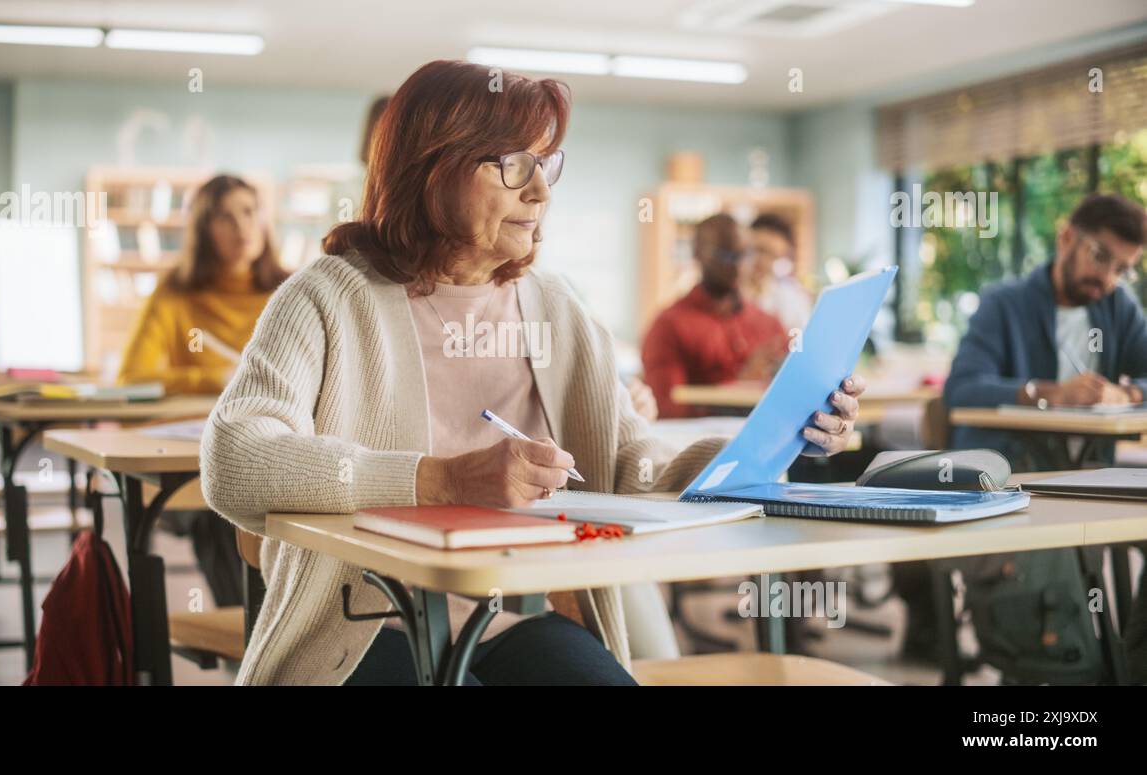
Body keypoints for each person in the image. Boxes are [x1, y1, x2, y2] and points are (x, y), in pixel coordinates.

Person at [200, 60, 865, 686]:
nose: (541, 189)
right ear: (434, 169)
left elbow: (633, 465)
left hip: (507, 614)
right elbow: (233, 462)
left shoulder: (556, 304)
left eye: (546, 163)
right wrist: (437, 479)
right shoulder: (327, 296)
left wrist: (771, 444)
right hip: (358, 624)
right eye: (514, 164)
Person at [118, 174, 288, 606]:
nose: (241, 228)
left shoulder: (289, 290)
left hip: (273, 453)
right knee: (222, 511)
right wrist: (210, 380)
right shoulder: (176, 294)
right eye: (224, 217)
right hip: (191, 464)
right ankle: (245, 637)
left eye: (249, 212)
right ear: (202, 230)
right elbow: (134, 379)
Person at [944, 192, 1147, 469]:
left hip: (1090, 479)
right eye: (1100, 256)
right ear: (1066, 238)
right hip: (1006, 476)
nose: (1108, 278)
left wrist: (1128, 394)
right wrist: (1051, 394)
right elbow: (962, 388)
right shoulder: (1003, 304)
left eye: (1122, 269)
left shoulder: (1118, 308)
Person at [641, 213, 790, 419]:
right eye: (727, 256)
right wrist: (738, 387)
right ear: (698, 253)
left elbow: (792, 395)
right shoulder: (668, 326)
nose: (738, 266)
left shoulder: (769, 324)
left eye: (744, 255)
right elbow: (666, 408)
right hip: (703, 447)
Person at [746, 213, 813, 335]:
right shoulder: (725, 296)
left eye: (773, 256)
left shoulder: (792, 299)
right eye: (760, 250)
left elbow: (802, 343)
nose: (763, 262)